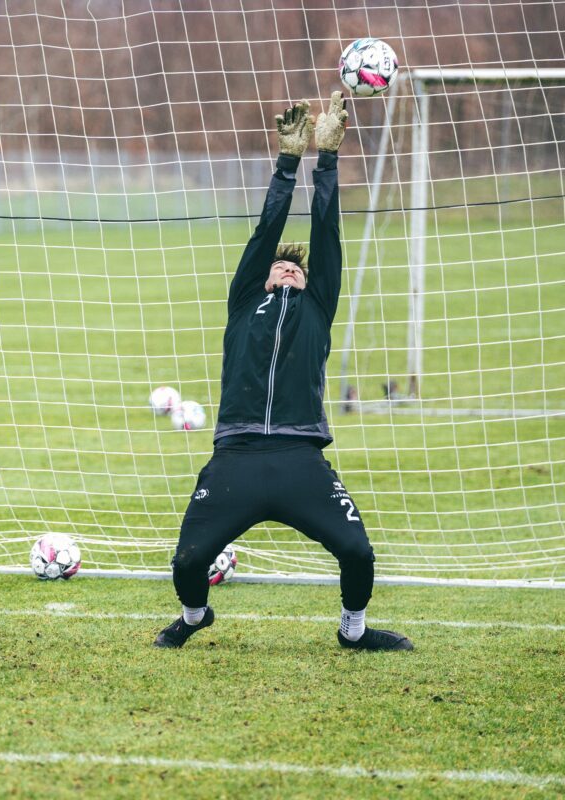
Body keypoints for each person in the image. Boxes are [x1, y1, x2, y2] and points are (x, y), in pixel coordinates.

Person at [155, 92, 413, 652]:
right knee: (188, 560)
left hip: (300, 459)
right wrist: (286, 163)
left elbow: (326, 235)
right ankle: (196, 616)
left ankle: (354, 630)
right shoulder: (245, 300)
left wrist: (326, 159)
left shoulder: (318, 304)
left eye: (294, 268)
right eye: (279, 266)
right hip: (238, 458)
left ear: (307, 279)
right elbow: (263, 235)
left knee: (359, 554)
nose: (285, 269)